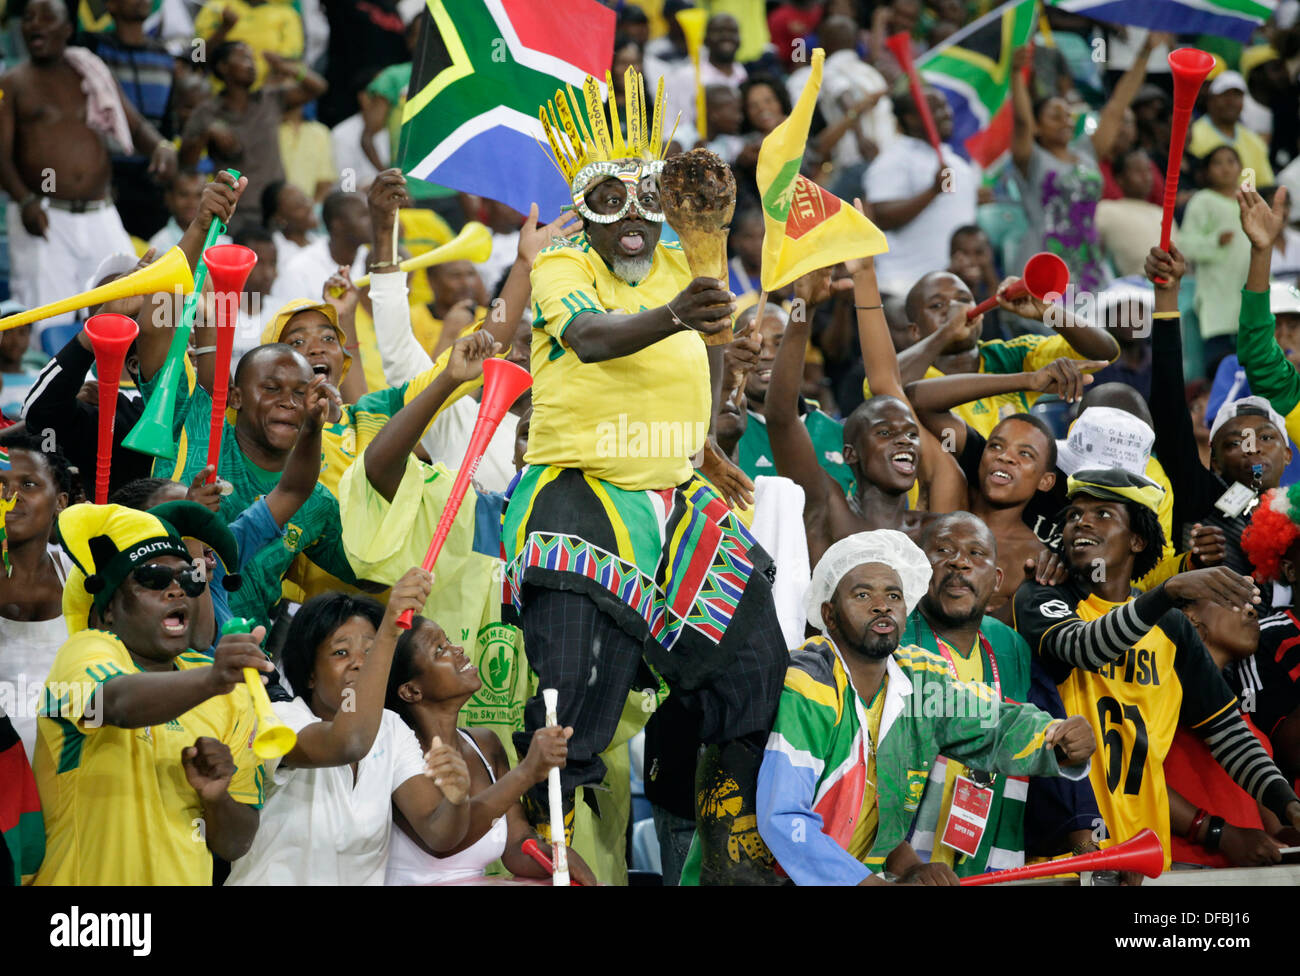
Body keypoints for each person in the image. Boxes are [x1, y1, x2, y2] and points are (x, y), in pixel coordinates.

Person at [506, 66, 786, 884]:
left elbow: (697, 363)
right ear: (583, 213)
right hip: (581, 498)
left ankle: (731, 837)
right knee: (569, 693)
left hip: (678, 497)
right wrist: (673, 315)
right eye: (608, 202)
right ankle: (547, 848)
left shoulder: (679, 261)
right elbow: (592, 340)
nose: (631, 219)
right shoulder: (562, 267)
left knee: (754, 661)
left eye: (645, 202)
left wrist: (700, 443)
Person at [756, 530, 1095, 886]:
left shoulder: (919, 679)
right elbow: (782, 817)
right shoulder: (809, 682)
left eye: (894, 595)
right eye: (862, 594)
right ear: (830, 614)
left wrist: (1055, 738)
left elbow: (992, 724)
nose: (882, 605)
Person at [1012, 468, 1300, 871]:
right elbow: (1084, 647)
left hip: (1146, 854)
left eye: (1103, 514)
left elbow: (1228, 732)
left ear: (1138, 540)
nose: (1082, 522)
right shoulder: (1042, 594)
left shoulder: (1172, 627)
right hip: (1067, 852)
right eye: (1075, 514)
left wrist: (1284, 800)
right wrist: (1167, 592)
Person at [34, 501, 268, 885]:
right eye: (153, 578)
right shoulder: (85, 652)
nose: (177, 590)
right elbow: (116, 704)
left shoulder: (231, 695)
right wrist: (213, 680)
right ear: (108, 609)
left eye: (188, 580)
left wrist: (216, 797)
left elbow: (235, 845)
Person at [225, 572, 482, 885]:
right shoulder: (280, 719)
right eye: (341, 652)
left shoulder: (391, 729)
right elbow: (348, 742)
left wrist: (457, 799)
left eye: (370, 652)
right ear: (309, 675)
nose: (360, 663)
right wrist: (388, 630)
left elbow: (438, 832)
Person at [768, 250, 966, 565]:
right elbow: (781, 419)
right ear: (850, 454)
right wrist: (803, 308)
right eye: (885, 432)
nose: (904, 440)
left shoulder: (936, 530)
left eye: (911, 434)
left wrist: (1028, 380)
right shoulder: (827, 509)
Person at [383, 613, 598, 885]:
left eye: (448, 641)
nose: (457, 649)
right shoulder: (398, 753)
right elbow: (443, 841)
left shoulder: (486, 744)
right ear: (411, 691)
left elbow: (516, 844)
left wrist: (555, 858)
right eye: (440, 649)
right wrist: (527, 772)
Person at [0, 0, 176, 331]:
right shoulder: (11, 84)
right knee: (49, 320)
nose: (35, 24)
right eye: (29, 18)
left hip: (101, 211)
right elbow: (1, 155)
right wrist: (24, 199)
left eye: (47, 18)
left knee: (132, 297)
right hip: (46, 215)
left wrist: (162, 147)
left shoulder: (89, 70)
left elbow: (135, 126)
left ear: (67, 30)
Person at [1148, 234, 1294, 586]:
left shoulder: (1297, 510)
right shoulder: (1203, 498)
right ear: (1213, 462)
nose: (1252, 446)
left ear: (1288, 455)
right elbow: (1170, 412)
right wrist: (1167, 297)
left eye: (1266, 436)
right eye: (1234, 443)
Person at [870, 268, 1118, 439]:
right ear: (915, 331)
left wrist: (1047, 312)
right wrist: (946, 331)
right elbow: (883, 387)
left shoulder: (1014, 355)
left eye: (964, 299)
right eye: (937, 305)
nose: (956, 308)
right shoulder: (905, 371)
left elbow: (1105, 352)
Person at [1009, 34, 1171, 294]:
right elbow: (1021, 123)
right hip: (1046, 259)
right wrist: (1017, 74)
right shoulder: (1032, 160)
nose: (1066, 121)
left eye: (1068, 115)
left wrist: (1145, 52)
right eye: (1055, 116)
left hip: (1088, 264)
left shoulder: (1087, 153)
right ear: (1038, 127)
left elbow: (1116, 107)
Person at [1164, 597, 1292, 868]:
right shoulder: (1161, 691)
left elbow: (1274, 829)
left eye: (1254, 600)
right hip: (1178, 871)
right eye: (1234, 598)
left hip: (1246, 877)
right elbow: (1133, 781)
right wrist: (1220, 834)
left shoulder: (1243, 716)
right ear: (1190, 618)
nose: (1251, 609)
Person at [179, 40, 326, 237]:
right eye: (242, 57)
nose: (251, 64)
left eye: (252, 59)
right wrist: (206, 134)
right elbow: (186, 163)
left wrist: (284, 66)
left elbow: (318, 87)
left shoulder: (270, 99)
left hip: (276, 212)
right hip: (234, 214)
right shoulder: (206, 113)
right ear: (223, 67)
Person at [0, 435, 77, 757]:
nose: (9, 495)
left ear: (60, 502)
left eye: (28, 484)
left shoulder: (82, 575)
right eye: (0, 484)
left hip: (74, 770)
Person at [77, 0, 180, 239]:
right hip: (108, 178)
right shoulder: (93, 47)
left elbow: (168, 122)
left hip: (151, 177)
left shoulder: (164, 56)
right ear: (110, 5)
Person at [861, 86, 976, 296]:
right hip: (905, 288)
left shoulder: (957, 162)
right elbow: (881, 217)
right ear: (911, 118)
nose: (947, 113)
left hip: (954, 287)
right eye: (936, 109)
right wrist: (932, 192)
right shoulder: (893, 159)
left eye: (946, 107)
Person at [732, 298, 853, 495]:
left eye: (780, 344)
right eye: (755, 344)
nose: (768, 354)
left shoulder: (837, 435)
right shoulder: (721, 435)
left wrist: (805, 303)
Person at [1177, 146, 1253, 369]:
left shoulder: (1250, 200)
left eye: (1231, 161)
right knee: (1219, 368)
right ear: (1207, 171)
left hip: (1247, 295)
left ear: (1240, 166)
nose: (1225, 168)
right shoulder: (1203, 200)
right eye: (1217, 163)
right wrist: (1214, 242)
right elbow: (1186, 245)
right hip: (1217, 297)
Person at [1187, 70, 1275, 190]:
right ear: (1211, 100)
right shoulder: (1193, 135)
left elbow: (1266, 185)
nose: (1231, 101)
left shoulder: (1254, 141)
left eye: (1237, 95)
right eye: (1224, 95)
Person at [1096, 147, 1167, 278]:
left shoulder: (1162, 214)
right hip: (1124, 289)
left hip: (1166, 287)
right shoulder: (1104, 210)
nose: (1146, 177)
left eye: (1148, 171)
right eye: (1138, 171)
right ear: (1119, 178)